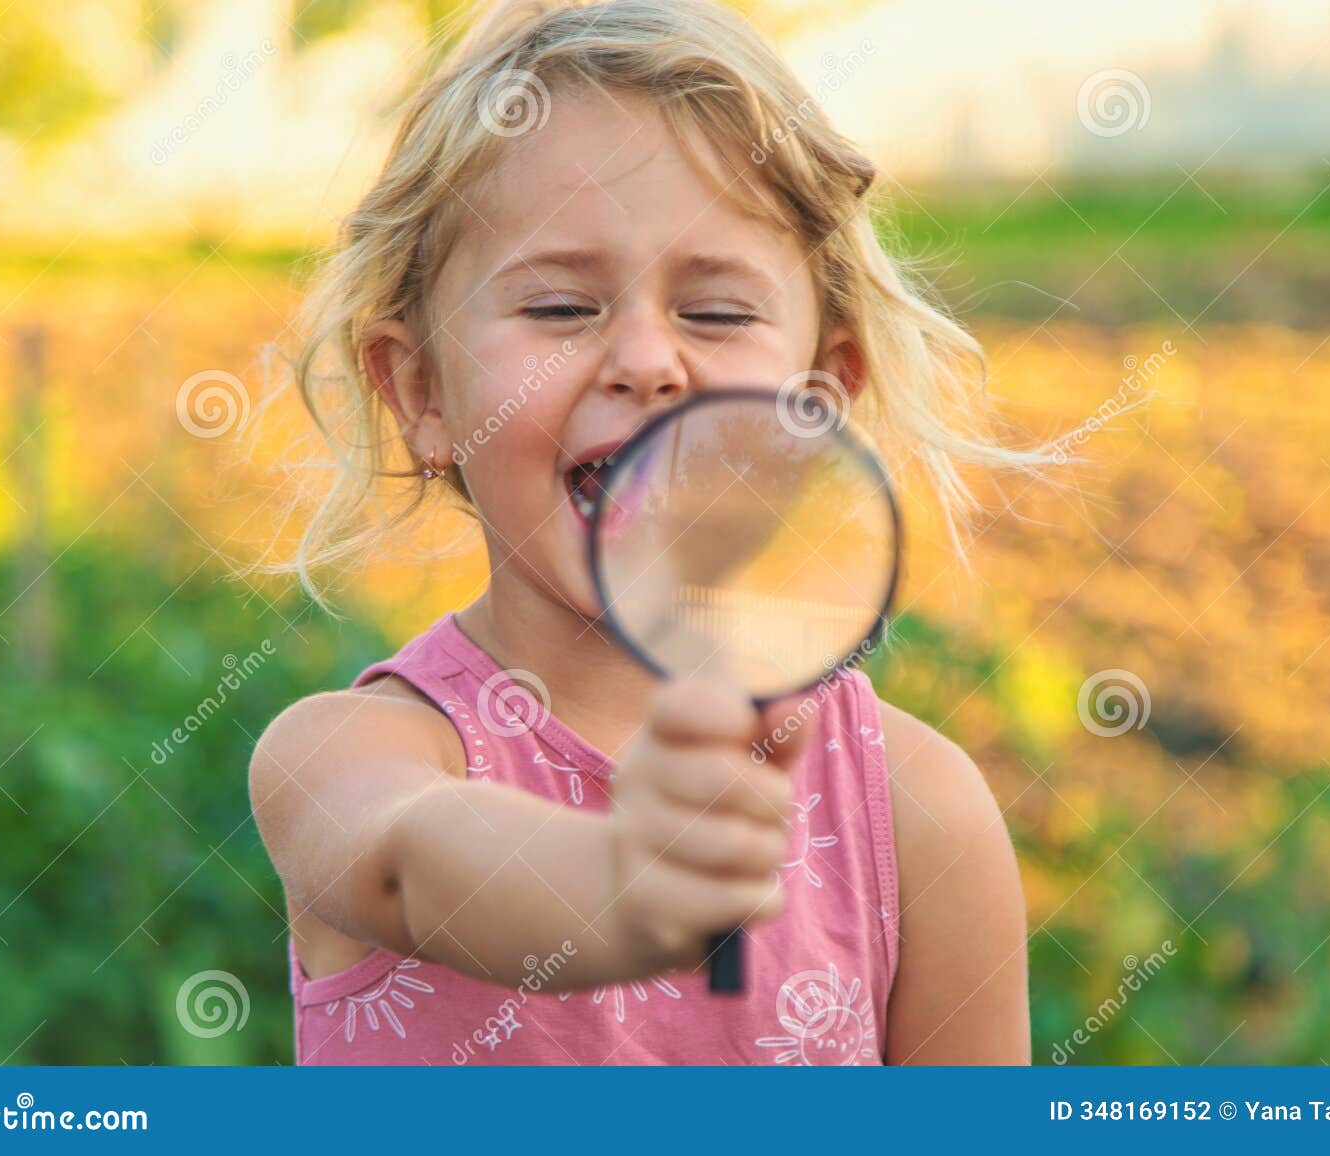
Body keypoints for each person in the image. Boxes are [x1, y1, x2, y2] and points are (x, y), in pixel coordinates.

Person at [249, 0, 1039, 1065]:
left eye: (716, 314)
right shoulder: (347, 757)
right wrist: (620, 884)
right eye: (559, 308)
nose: (647, 361)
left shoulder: (919, 815)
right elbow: (407, 858)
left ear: (821, 397)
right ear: (421, 390)